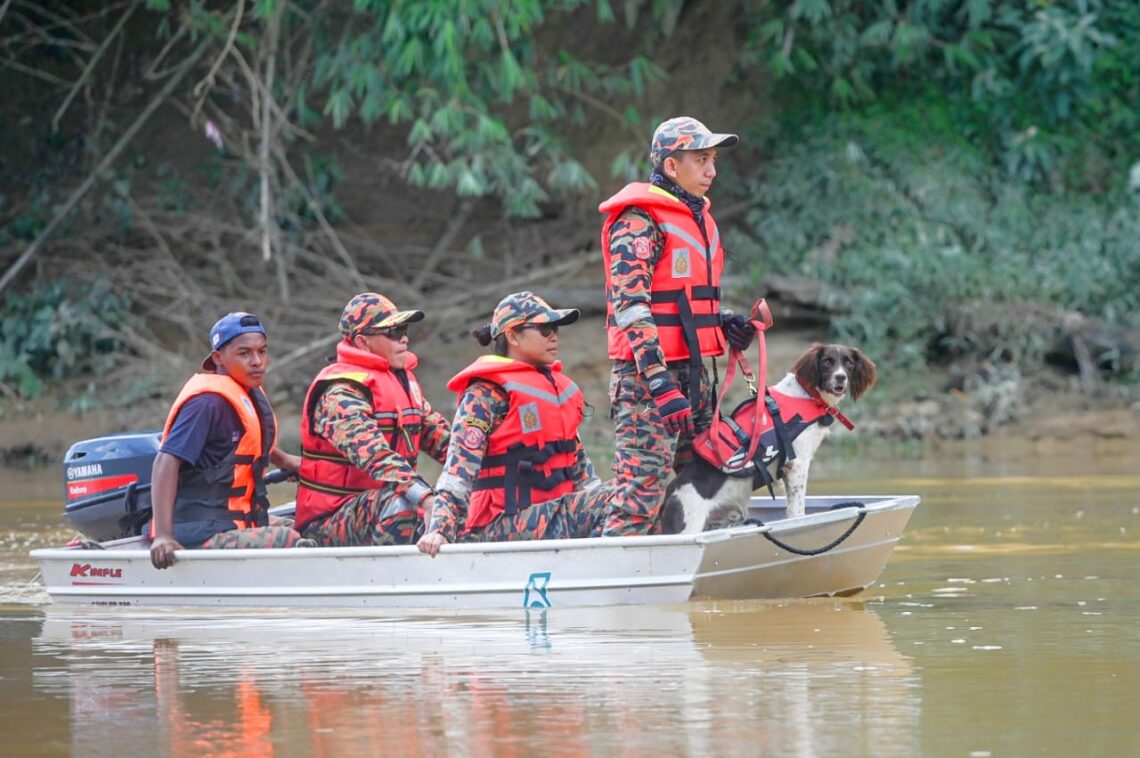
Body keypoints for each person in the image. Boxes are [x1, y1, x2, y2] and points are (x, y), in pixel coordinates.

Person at [596, 115, 757, 536]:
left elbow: (683, 305)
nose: (712, 171)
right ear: (671, 166)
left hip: (695, 375)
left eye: (714, 160)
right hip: (648, 383)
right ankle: (615, 588)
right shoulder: (638, 220)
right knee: (640, 497)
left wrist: (724, 326)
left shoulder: (699, 218)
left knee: (706, 486)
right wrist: (659, 382)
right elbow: (632, 307)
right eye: (701, 159)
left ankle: (701, 580)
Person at [417, 291, 668, 557]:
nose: (554, 336)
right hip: (497, 526)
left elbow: (583, 473)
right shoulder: (485, 393)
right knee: (625, 497)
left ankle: (618, 568)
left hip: (549, 515)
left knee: (639, 494)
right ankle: (606, 568)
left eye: (556, 329)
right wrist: (440, 529)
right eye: (545, 329)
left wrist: (610, 498)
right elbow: (457, 472)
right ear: (513, 336)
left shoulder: (556, 390)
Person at [150, 312, 308, 570]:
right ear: (218, 358)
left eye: (262, 351)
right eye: (244, 354)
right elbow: (165, 462)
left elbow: (249, 445)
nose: (257, 361)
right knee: (289, 538)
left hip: (234, 522)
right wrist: (163, 536)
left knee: (308, 524)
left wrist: (287, 461)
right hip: (200, 529)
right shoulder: (207, 404)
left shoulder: (246, 393)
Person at [294, 293, 451, 546]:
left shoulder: (403, 382)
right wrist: (425, 497)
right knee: (401, 503)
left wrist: (488, 469)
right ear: (362, 342)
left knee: (459, 502)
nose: (404, 337)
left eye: (404, 329)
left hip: (387, 502)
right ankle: (391, 582)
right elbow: (375, 456)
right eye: (392, 331)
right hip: (329, 521)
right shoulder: (339, 392)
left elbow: (445, 442)